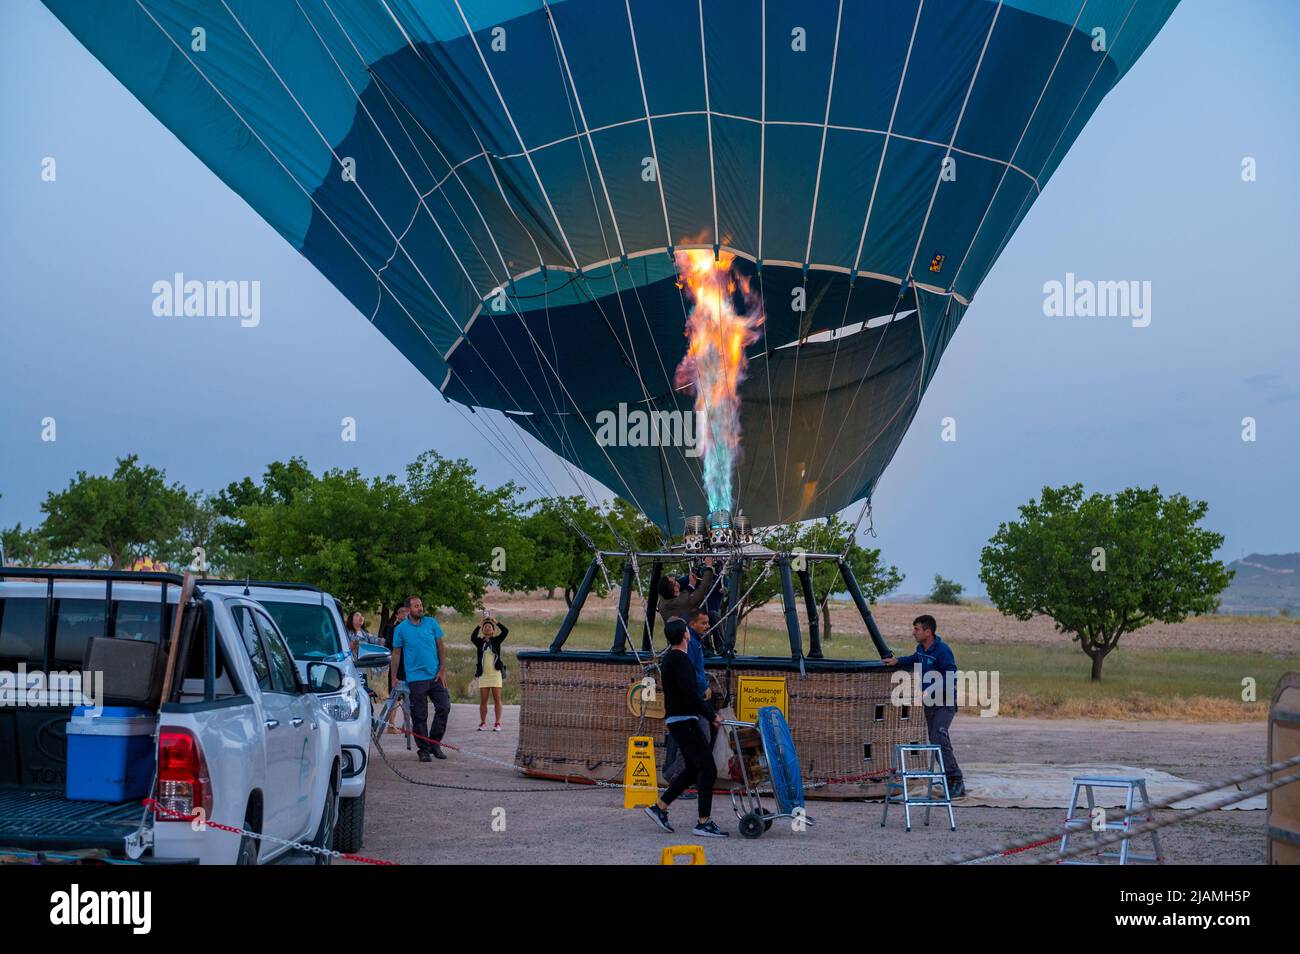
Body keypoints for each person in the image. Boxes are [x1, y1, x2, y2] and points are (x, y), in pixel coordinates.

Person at [643, 618, 728, 838]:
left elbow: (688, 693)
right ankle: (703, 822)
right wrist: (711, 715)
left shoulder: (673, 659)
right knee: (707, 767)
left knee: (692, 769)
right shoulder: (679, 659)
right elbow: (690, 693)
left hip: (682, 719)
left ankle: (659, 807)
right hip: (683, 720)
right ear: (685, 635)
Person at [884, 614, 965, 797]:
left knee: (939, 737)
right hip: (930, 704)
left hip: (945, 702)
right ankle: (949, 779)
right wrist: (898, 661)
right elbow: (915, 659)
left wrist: (930, 690)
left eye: (917, 629)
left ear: (928, 632)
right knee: (936, 741)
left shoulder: (943, 650)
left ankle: (956, 781)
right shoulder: (921, 649)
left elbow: (950, 675)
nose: (913, 632)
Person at [390, 596, 450, 763]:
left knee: (444, 707)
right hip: (415, 678)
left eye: (421, 605)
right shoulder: (401, 629)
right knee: (419, 715)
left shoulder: (431, 623)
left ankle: (434, 743)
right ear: (408, 609)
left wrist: (442, 669)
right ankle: (423, 749)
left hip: (435, 676)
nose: (420, 608)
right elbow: (396, 653)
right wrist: (393, 676)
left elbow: (440, 646)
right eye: (416, 606)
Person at [662, 607, 715, 779]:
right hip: (690, 703)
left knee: (692, 742)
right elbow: (691, 672)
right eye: (703, 623)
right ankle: (676, 775)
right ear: (690, 627)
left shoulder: (694, 642)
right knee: (699, 739)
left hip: (687, 705)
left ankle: (680, 776)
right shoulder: (688, 645)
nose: (707, 626)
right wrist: (703, 688)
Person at [470, 613, 508, 732]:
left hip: (495, 674)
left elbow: (506, 631)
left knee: (497, 699)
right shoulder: (479, 642)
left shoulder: (496, 640)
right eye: (485, 627)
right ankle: (483, 723)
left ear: (492, 631)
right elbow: (472, 637)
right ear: (483, 630)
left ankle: (497, 723)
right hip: (484, 675)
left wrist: (495, 621)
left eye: (489, 627)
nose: (487, 628)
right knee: (483, 701)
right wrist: (480, 623)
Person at [380, 603, 410, 734]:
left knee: (408, 696)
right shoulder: (392, 629)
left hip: (409, 666)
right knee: (394, 696)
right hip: (396, 666)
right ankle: (390, 725)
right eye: (401, 612)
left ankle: (406, 725)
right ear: (397, 615)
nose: (404, 614)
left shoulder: (412, 629)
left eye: (406, 611)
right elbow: (390, 647)